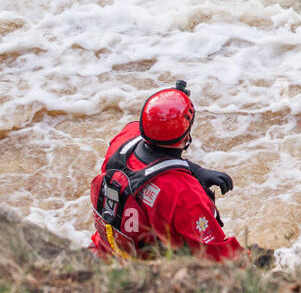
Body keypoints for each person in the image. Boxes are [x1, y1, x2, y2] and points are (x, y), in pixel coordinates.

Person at [90, 80, 244, 262]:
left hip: (103, 252)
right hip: (147, 273)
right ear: (187, 136)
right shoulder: (182, 193)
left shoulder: (124, 139)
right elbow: (218, 257)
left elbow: (154, 137)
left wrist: (195, 169)